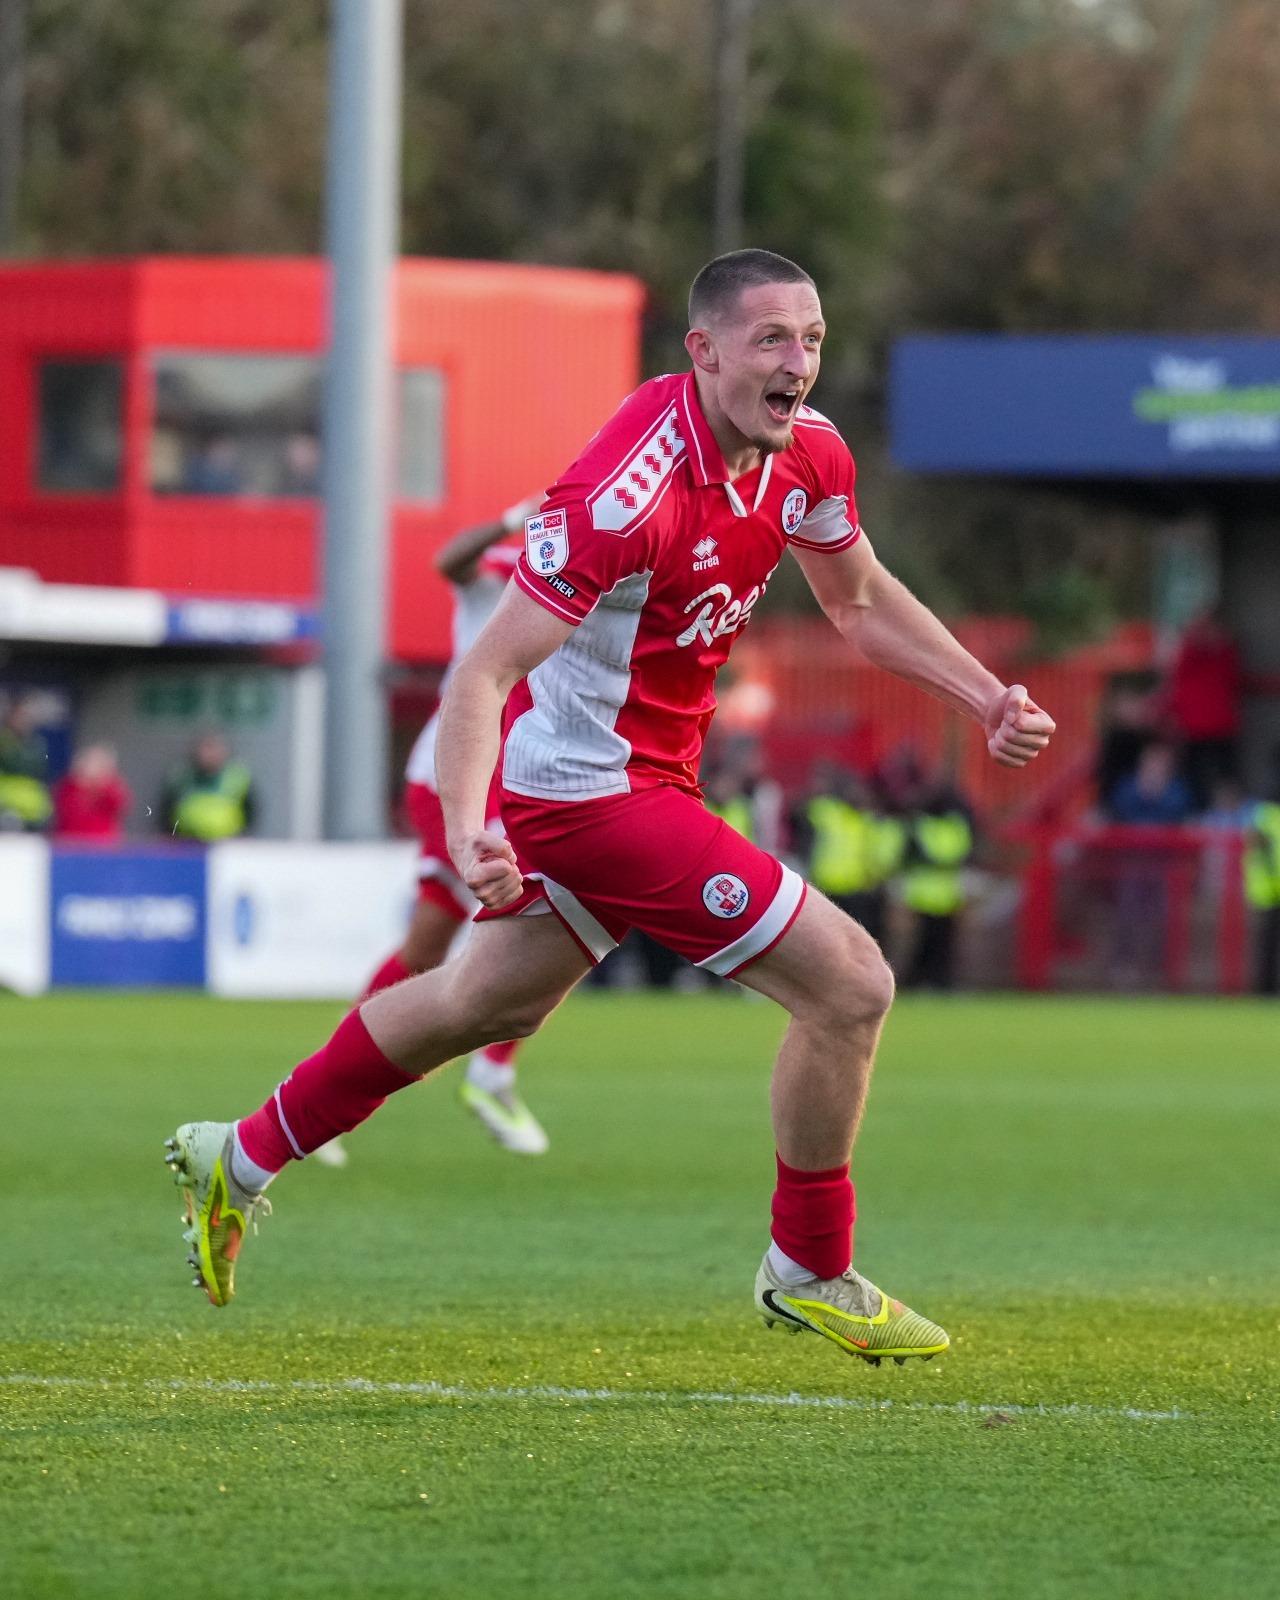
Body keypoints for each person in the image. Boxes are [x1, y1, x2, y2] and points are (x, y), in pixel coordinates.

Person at [166, 249, 1055, 1367]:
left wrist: (982, 695)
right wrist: (462, 831)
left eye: (813, 339)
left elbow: (859, 598)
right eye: (772, 340)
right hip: (593, 797)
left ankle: (236, 1156)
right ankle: (808, 1266)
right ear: (704, 351)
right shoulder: (620, 495)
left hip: (643, 777)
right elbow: (481, 674)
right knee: (850, 984)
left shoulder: (807, 455)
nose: (798, 364)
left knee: (472, 1004)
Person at [354, 498, 550, 1157]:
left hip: (510, 776)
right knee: (532, 919)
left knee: (439, 940)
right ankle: (481, 1074)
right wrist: (512, 515)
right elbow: (448, 560)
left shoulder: (582, 582)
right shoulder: (500, 570)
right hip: (453, 772)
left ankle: (348, 1074)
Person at [900, 774, 975, 991]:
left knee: (934, 944)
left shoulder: (920, 825)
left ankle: (929, 983)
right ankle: (926, 982)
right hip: (939, 894)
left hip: (930, 893)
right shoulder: (955, 826)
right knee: (930, 944)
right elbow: (960, 855)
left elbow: (915, 857)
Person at [162, 734, 255, 842]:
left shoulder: (237, 778)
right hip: (186, 843)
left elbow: (250, 811)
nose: (210, 754)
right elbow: (167, 811)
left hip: (228, 843)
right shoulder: (181, 778)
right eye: (206, 748)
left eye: (214, 749)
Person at [52, 743, 132, 841]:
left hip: (101, 844)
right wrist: (81, 785)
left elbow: (120, 805)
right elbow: (65, 810)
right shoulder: (68, 787)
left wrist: (100, 785)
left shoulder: (112, 787)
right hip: (70, 843)